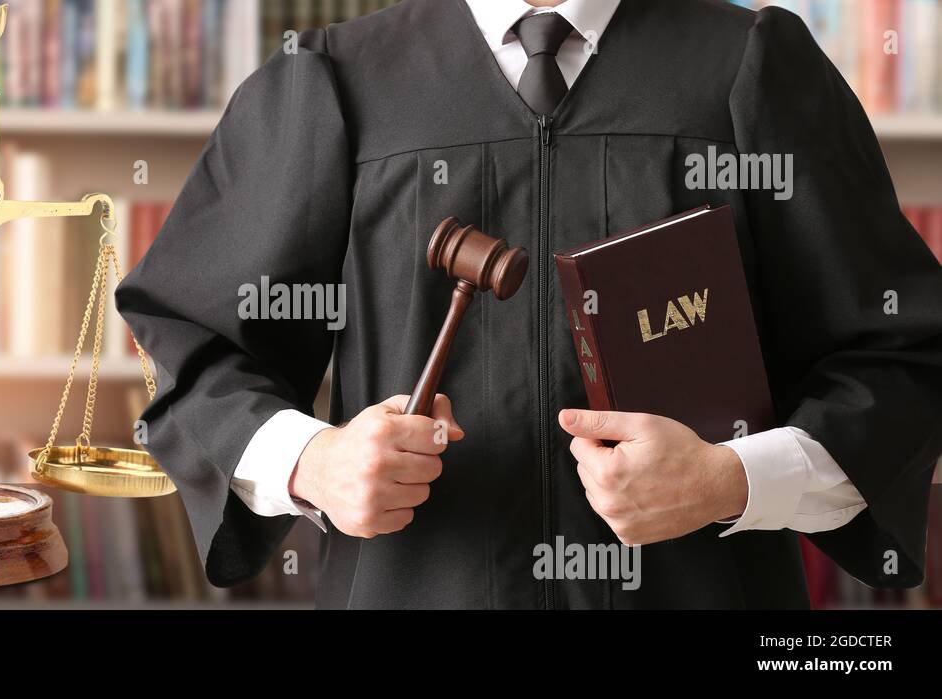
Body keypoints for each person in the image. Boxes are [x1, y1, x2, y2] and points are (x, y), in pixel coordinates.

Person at [115, 0, 942, 608]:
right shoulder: (338, 82)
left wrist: (731, 479)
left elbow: (898, 354)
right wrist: (312, 463)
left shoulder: (748, 66)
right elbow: (195, 338)